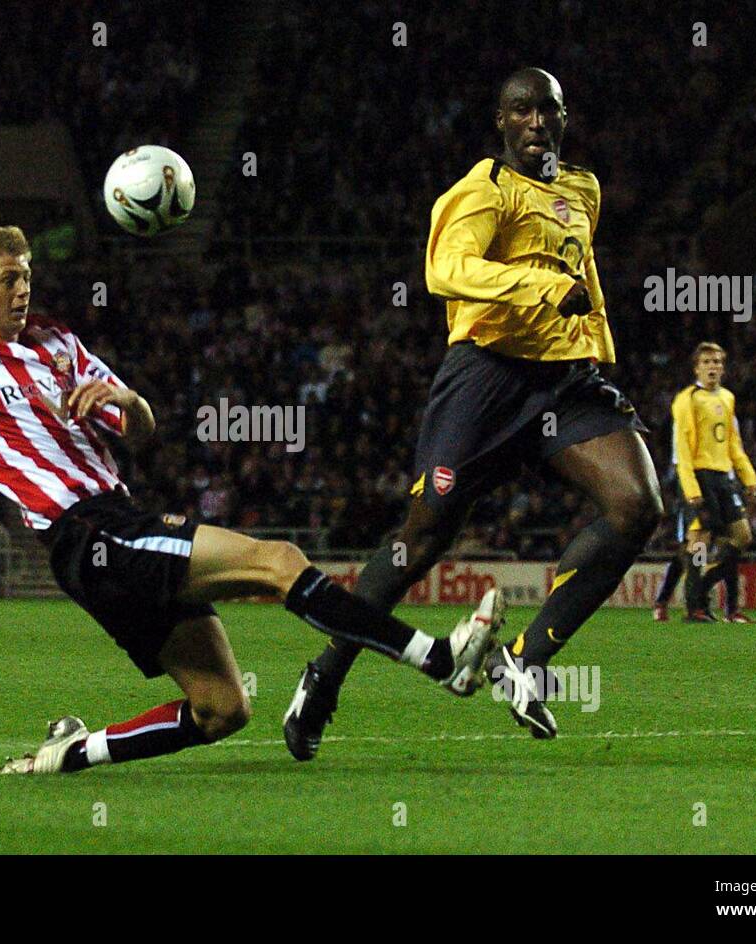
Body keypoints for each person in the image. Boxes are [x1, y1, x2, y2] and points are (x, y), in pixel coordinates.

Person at [0, 225, 503, 775]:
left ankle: (72, 753)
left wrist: (124, 396)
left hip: (112, 528)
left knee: (221, 710)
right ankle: (443, 660)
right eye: (10, 277)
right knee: (278, 562)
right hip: (86, 532)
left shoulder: (60, 343)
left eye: (29, 272)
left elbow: (138, 425)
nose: (24, 286)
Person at [284, 67, 663, 759]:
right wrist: (541, 287)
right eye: (521, 110)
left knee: (638, 505)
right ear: (501, 121)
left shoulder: (583, 189)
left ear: (563, 118)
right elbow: (447, 271)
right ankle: (324, 677)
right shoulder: (482, 189)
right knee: (421, 540)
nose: (535, 122)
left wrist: (589, 335)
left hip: (567, 380)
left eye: (547, 110)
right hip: (486, 380)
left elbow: (580, 273)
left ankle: (524, 660)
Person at [654, 342, 756, 623]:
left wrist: (749, 478)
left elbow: (734, 444)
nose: (713, 367)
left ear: (723, 368)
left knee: (741, 536)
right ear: (696, 367)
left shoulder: (727, 398)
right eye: (707, 362)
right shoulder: (686, 399)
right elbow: (684, 451)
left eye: (717, 362)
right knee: (697, 543)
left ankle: (700, 592)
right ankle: (695, 608)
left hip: (724, 477)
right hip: (699, 477)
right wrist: (691, 490)